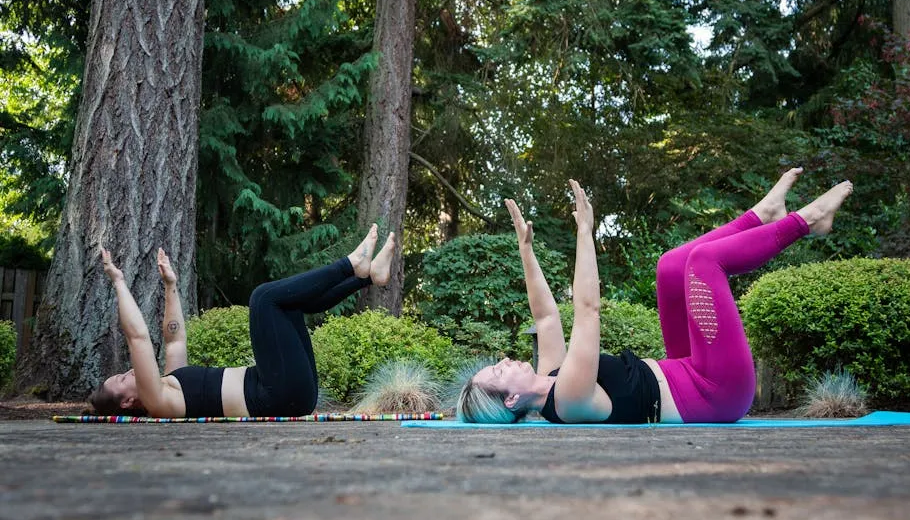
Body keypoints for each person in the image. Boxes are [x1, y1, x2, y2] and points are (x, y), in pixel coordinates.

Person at [457, 171, 854, 424]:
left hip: (687, 367)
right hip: (717, 391)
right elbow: (587, 311)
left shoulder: (551, 376)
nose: (504, 360)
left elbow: (545, 317)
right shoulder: (568, 400)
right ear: (510, 399)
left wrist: (526, 251)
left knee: (669, 269)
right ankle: (808, 221)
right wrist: (584, 233)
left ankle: (762, 215)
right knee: (703, 263)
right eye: (497, 371)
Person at [88, 226, 396, 417]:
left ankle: (367, 277)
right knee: (263, 299)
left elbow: (175, 338)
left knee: (290, 305)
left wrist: (170, 285)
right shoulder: (158, 402)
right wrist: (117, 281)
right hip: (279, 396)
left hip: (288, 392)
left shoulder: (171, 382)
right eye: (120, 379)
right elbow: (137, 338)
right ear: (127, 402)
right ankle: (350, 265)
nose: (128, 371)